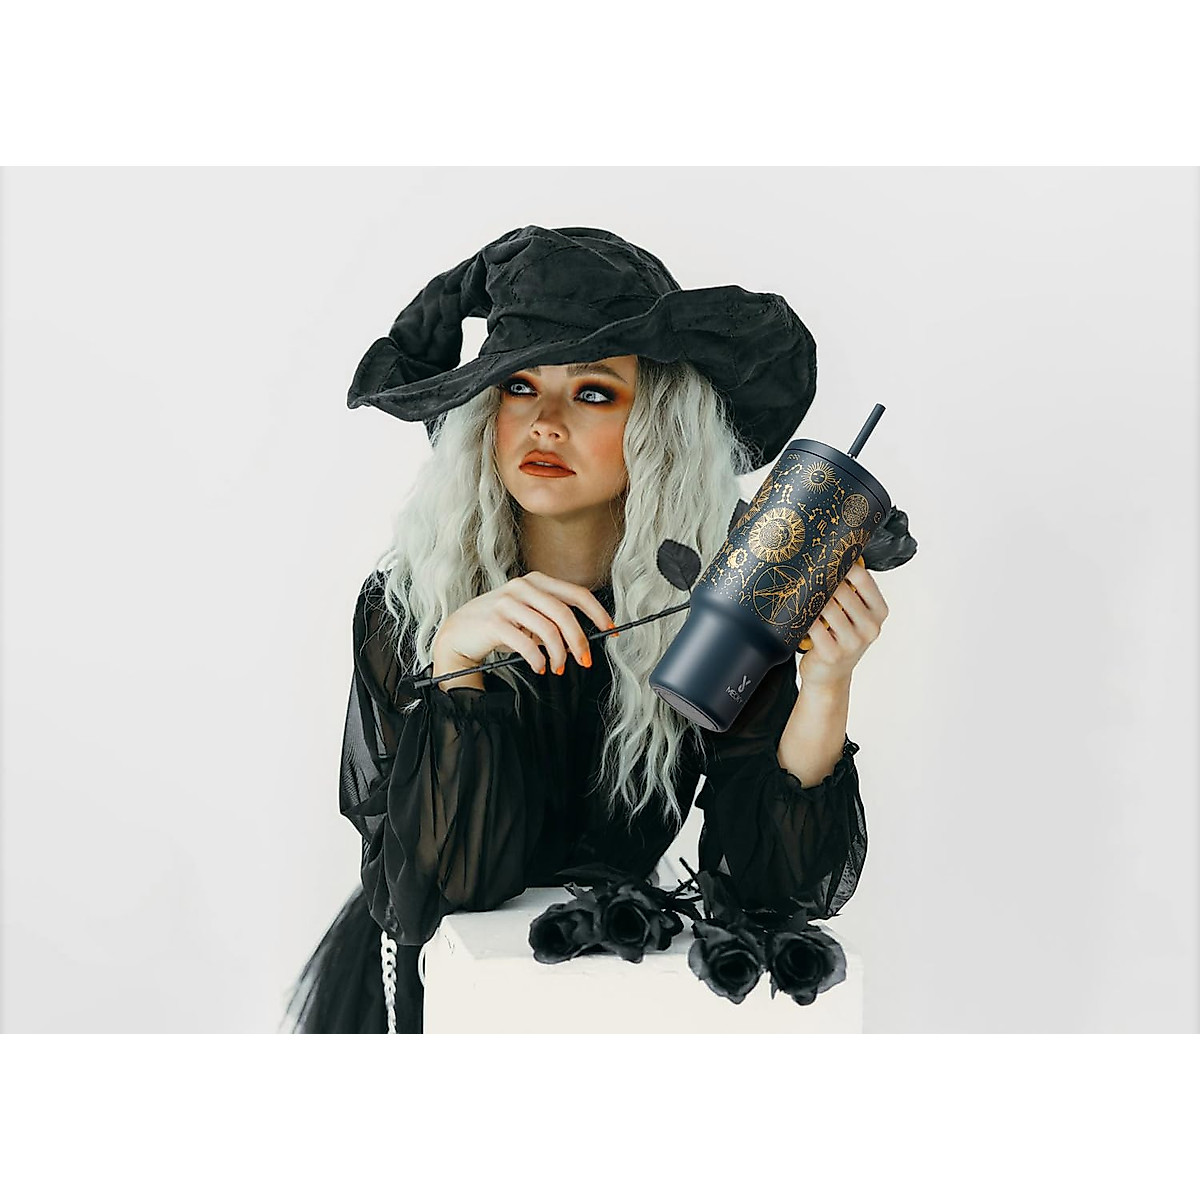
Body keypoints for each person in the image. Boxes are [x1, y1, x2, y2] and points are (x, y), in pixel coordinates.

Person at [281, 226, 890, 1033]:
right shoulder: (409, 607)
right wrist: (458, 664)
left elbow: (769, 890)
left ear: (659, 426)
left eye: (594, 393)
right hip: (436, 993)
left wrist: (826, 689)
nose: (545, 422)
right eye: (519, 387)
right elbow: (443, 896)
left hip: (609, 975)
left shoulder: (717, 602)